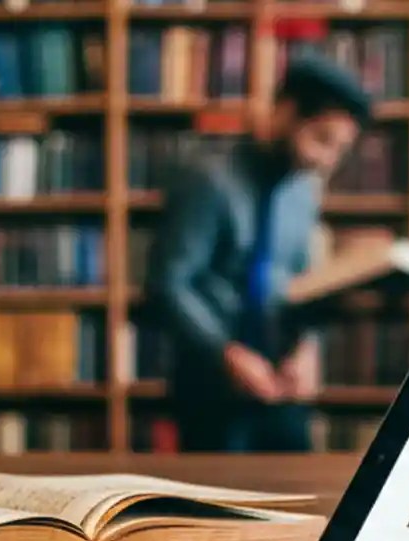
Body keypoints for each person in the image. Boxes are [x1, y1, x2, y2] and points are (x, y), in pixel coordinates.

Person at [144, 56, 371, 452]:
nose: (326, 160)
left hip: (283, 385)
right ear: (284, 112)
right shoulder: (208, 179)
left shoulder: (305, 190)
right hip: (212, 383)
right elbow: (169, 283)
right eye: (321, 139)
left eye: (340, 149)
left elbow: (302, 284)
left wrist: (307, 347)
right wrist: (226, 353)